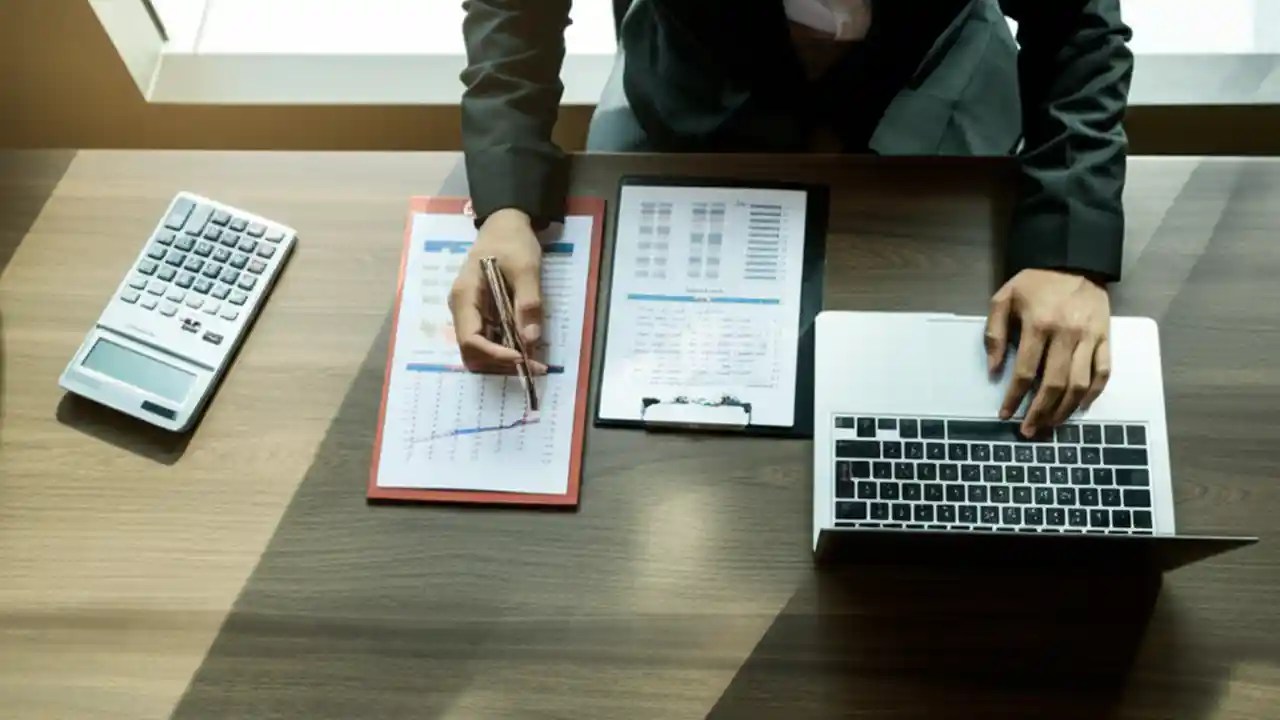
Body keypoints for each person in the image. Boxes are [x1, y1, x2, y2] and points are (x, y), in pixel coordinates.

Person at [448, 0, 1134, 439]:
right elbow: (516, 12)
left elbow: (1076, 19)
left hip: (931, 74)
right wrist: (508, 207)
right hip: (697, 77)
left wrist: (1066, 250)